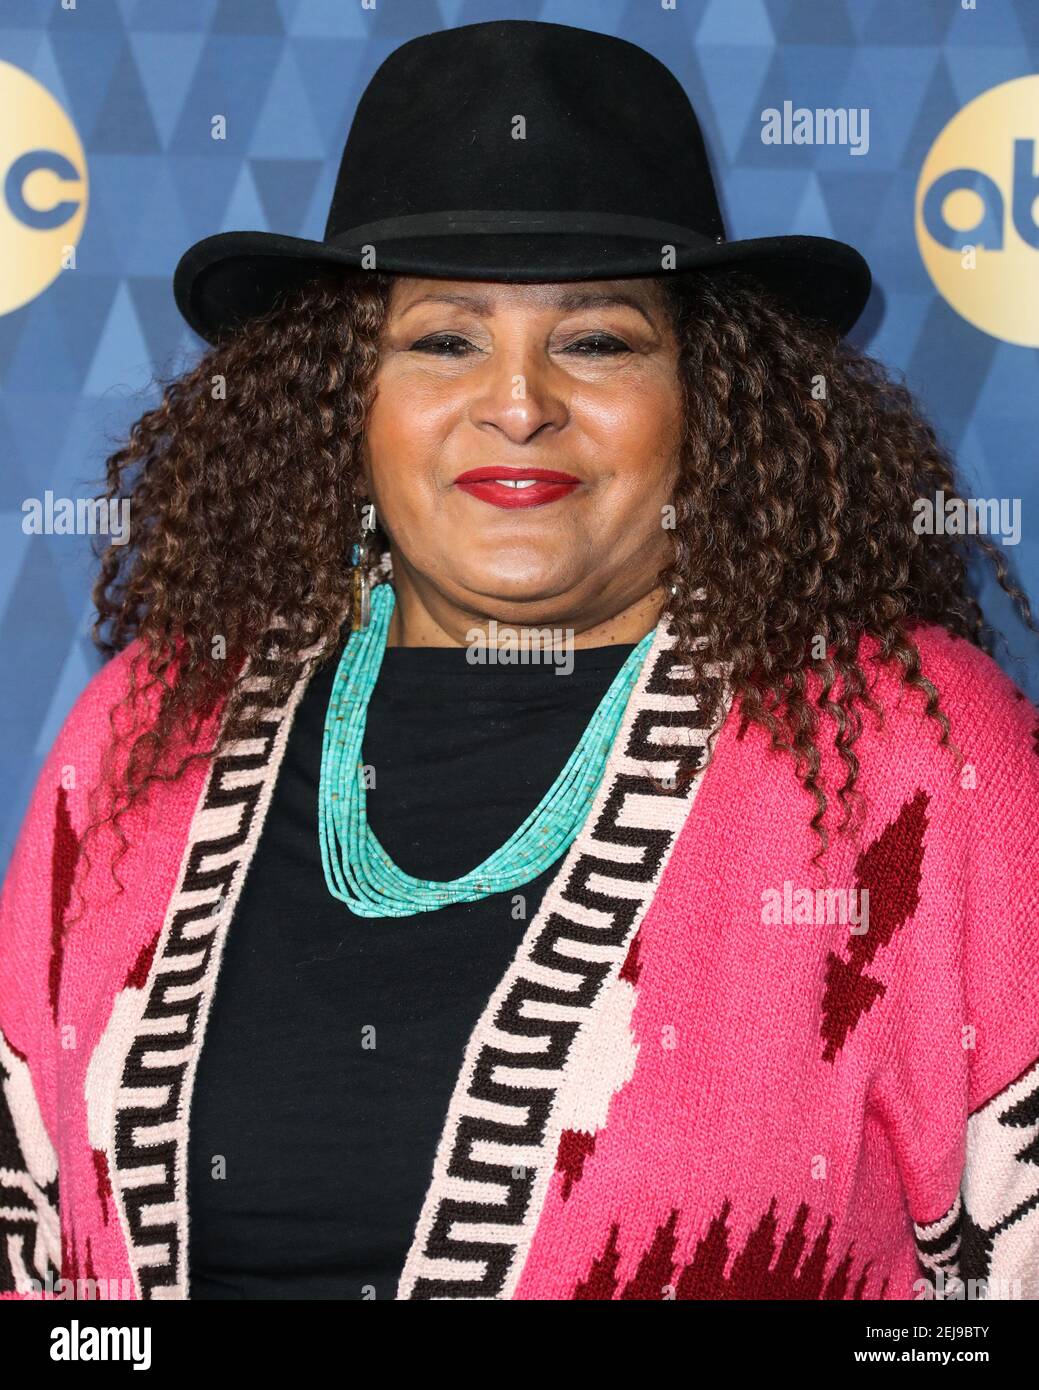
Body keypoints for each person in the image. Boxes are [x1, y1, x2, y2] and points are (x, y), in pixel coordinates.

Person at [2, 19, 1037, 1304]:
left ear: (708, 396)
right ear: (344, 395)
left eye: (596, 340)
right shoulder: (144, 733)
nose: (517, 402)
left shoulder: (906, 755)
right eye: (444, 340)